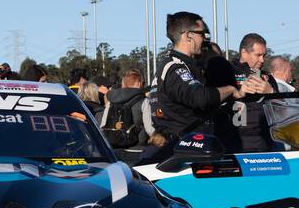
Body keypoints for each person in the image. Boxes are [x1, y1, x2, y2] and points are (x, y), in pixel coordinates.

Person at [146, 12, 267, 154]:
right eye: (202, 33)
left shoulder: (182, 65)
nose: (205, 39)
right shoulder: (175, 67)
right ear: (188, 35)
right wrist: (232, 89)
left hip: (187, 145)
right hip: (182, 149)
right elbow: (200, 97)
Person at [228, 33, 277, 151]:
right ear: (244, 53)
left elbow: (283, 109)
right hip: (234, 141)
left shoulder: (267, 77)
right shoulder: (227, 71)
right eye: (258, 55)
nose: (262, 60)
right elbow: (213, 100)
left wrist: (271, 92)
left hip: (263, 142)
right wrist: (239, 92)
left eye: (264, 55)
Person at [100, 68, 148, 153]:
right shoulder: (143, 101)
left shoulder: (111, 100)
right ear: (138, 83)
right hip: (138, 148)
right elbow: (150, 129)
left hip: (113, 147)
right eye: (143, 83)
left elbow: (103, 125)